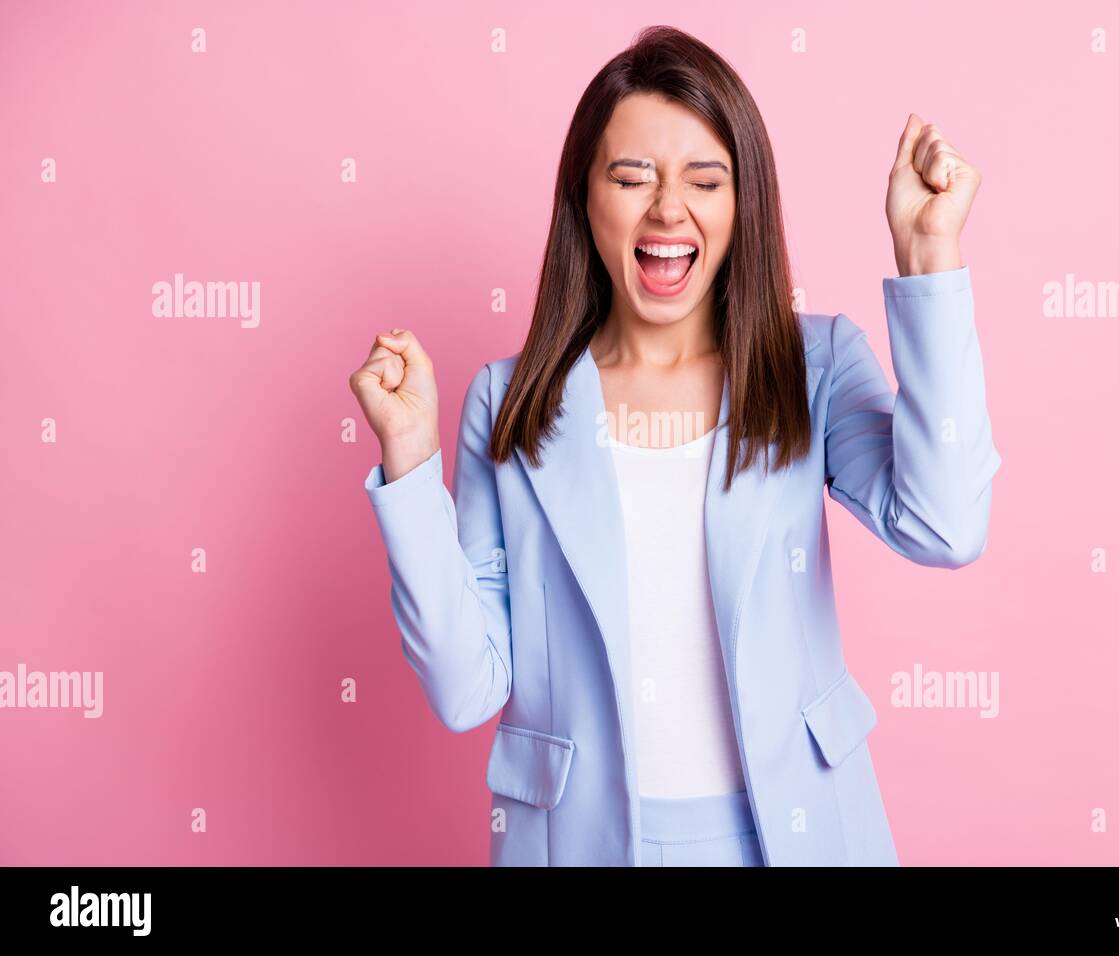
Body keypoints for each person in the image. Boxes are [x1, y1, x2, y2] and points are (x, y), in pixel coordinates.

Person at [348, 25, 1001, 866]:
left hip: (798, 834)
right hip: (580, 844)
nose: (667, 208)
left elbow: (947, 524)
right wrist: (408, 459)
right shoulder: (507, 402)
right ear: (584, 195)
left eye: (706, 180)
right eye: (631, 176)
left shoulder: (815, 366)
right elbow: (464, 686)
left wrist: (930, 260)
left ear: (742, 204)